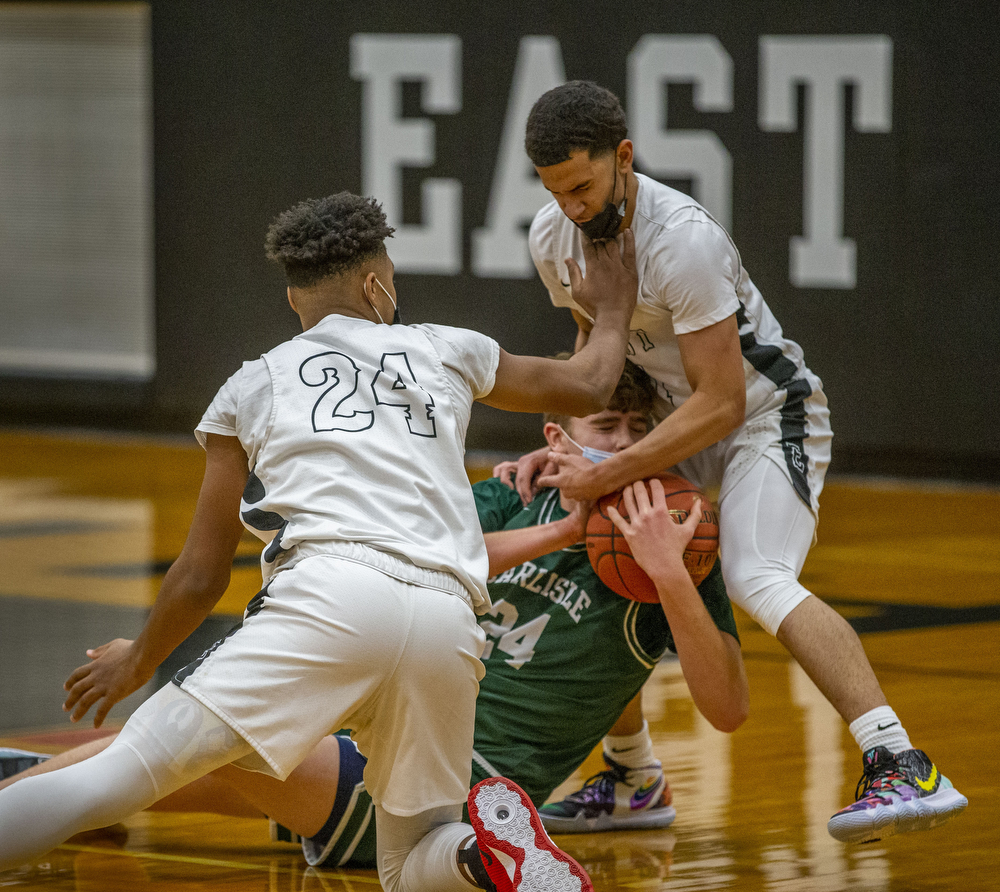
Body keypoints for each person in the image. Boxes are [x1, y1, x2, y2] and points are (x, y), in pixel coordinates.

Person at [0, 190, 641, 892]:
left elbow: (202, 574)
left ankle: (482, 857)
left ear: (293, 299)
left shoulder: (252, 384)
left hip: (331, 598)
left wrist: (139, 658)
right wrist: (612, 310)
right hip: (448, 618)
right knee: (411, 858)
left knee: (113, 778)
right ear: (374, 284)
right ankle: (478, 857)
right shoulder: (445, 347)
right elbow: (591, 384)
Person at [0, 361, 749, 872]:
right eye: (607, 427)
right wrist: (563, 529)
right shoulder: (513, 497)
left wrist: (666, 573)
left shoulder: (679, 541)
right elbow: (429, 553)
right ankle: (29, 790)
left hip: (463, 782)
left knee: (195, 733)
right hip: (372, 730)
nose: (626, 446)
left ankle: (32, 792)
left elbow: (727, 708)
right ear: (556, 439)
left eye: (640, 430)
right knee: (137, 772)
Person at [500, 80, 967, 845]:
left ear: (623, 157)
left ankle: (900, 761)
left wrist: (609, 471)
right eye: (555, 191)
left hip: (761, 413)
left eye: (582, 186)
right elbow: (601, 363)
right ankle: (633, 777)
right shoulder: (554, 239)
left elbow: (720, 402)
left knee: (757, 575)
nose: (572, 207)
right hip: (669, 412)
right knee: (602, 544)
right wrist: (573, 449)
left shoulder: (682, 241)